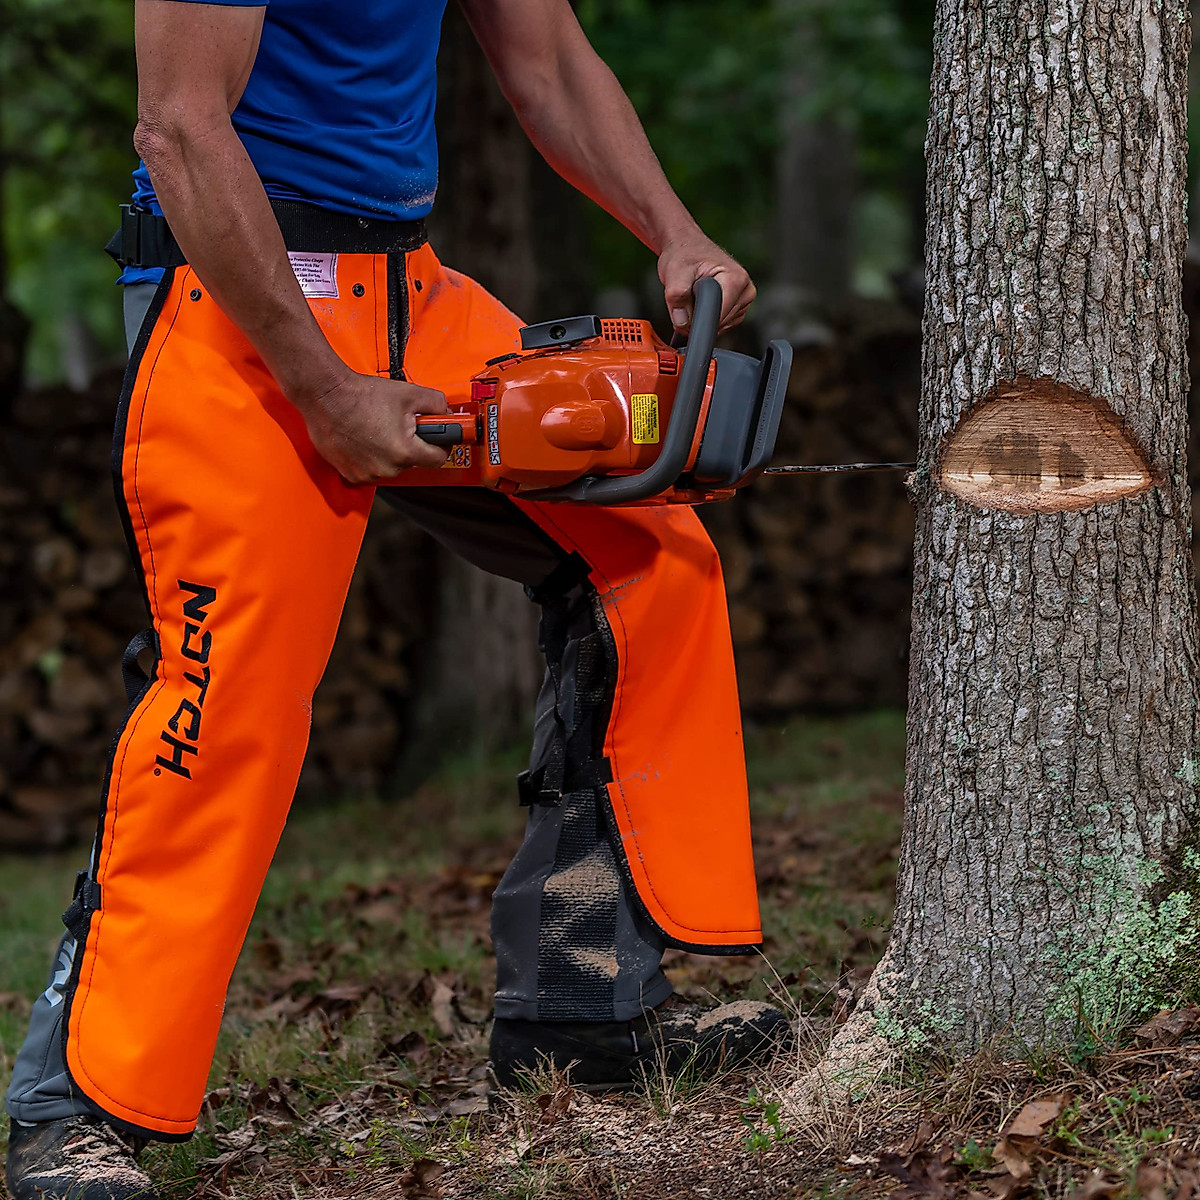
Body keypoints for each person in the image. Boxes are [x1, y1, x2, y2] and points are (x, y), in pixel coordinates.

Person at [3, 2, 790, 1196]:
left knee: (650, 557)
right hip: (234, 292)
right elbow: (179, 127)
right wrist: (324, 390)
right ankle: (76, 1102)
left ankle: (583, 1003)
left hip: (411, 291)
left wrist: (674, 232)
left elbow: (549, 59)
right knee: (229, 687)